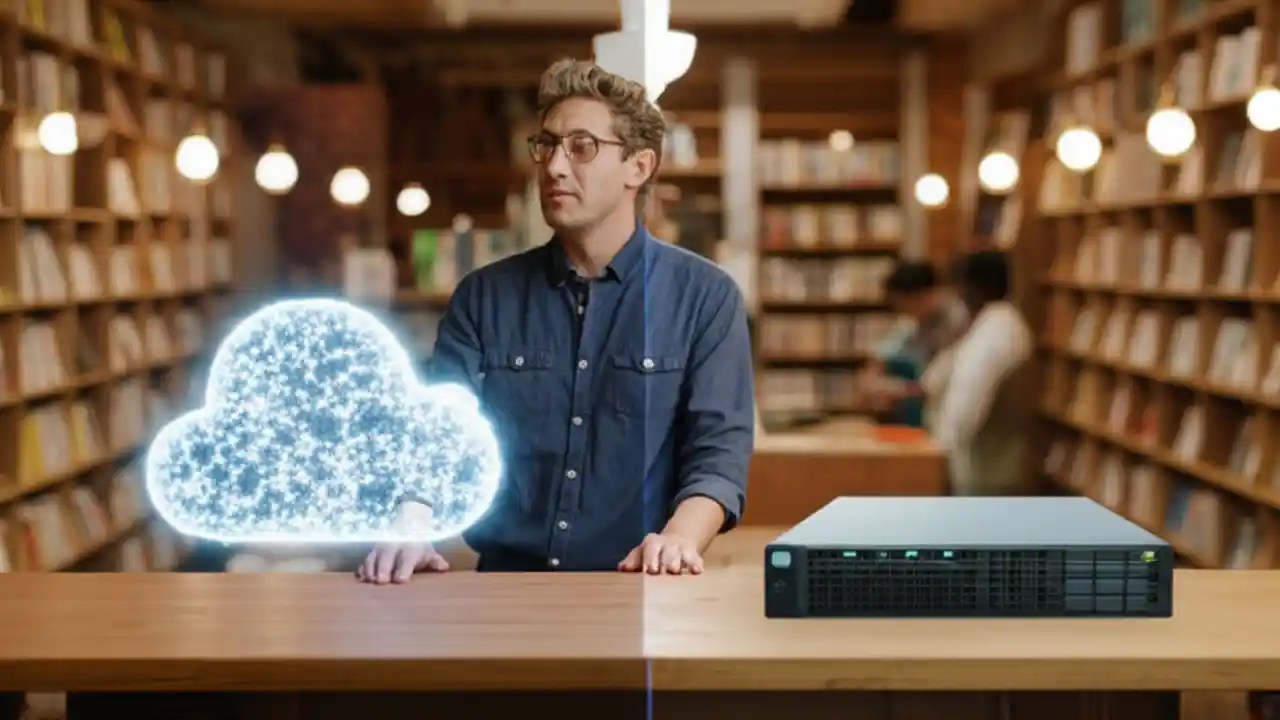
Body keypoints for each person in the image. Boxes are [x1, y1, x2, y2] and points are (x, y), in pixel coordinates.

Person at [357, 58, 755, 582]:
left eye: (582, 147)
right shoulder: (483, 297)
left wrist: (679, 540)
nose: (554, 167)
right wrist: (411, 525)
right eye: (546, 146)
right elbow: (437, 436)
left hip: (641, 587)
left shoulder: (705, 297)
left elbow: (718, 455)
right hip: (505, 591)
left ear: (639, 167)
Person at [922, 250, 1036, 496]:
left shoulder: (996, 332)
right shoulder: (988, 324)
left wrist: (937, 455)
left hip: (987, 475)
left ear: (970, 288)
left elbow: (964, 409)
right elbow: (933, 380)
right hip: (983, 470)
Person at [858, 260, 969, 426]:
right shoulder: (913, 323)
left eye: (906, 304)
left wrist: (901, 390)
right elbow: (878, 361)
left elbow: (938, 382)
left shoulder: (959, 320)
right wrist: (876, 384)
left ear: (926, 295)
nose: (904, 312)